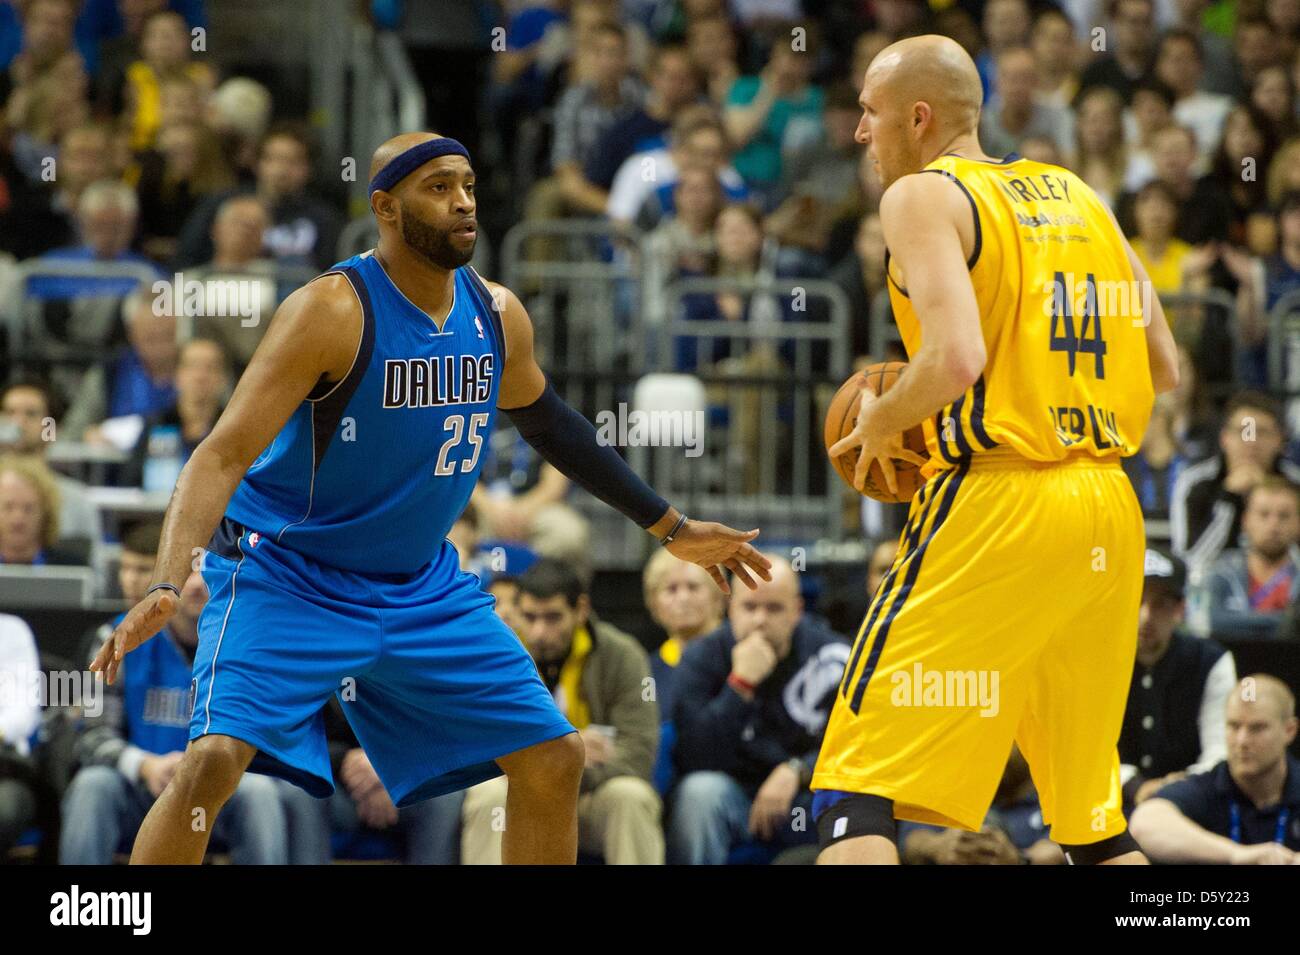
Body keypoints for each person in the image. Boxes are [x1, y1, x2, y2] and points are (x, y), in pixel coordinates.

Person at [91, 131, 772, 866]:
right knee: (212, 763)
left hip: (421, 586)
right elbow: (220, 452)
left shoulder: (497, 312)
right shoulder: (330, 310)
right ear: (385, 205)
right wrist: (168, 575)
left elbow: (551, 424)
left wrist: (669, 525)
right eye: (439, 187)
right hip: (289, 577)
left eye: (470, 186)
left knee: (553, 756)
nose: (463, 203)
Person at [811, 34, 1179, 866]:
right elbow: (1165, 364)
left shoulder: (919, 197)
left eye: (870, 114)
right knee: (1094, 827)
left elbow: (955, 359)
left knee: (853, 788)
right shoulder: (1080, 194)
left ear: (917, 115)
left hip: (998, 498)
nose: (861, 133)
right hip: (1108, 512)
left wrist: (881, 419)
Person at [61, 568, 288, 864]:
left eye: (208, 573)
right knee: (92, 785)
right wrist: (145, 765)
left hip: (217, 794)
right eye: (188, 573)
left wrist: (207, 771)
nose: (196, 585)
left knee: (259, 792)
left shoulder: (247, 644)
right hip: (137, 789)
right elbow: (90, 734)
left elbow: (267, 738)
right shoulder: (117, 635)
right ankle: (86, 906)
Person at [461, 559, 663, 864]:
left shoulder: (624, 654)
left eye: (553, 617)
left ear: (581, 610)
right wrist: (568, 751)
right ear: (516, 611)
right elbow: (476, 745)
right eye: (530, 617)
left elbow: (638, 753)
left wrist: (555, 766)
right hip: (520, 794)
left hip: (592, 796)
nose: (540, 631)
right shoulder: (496, 655)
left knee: (631, 796)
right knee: (488, 795)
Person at [668, 555, 851, 864]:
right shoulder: (702, 656)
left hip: (808, 798)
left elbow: (856, 744)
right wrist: (739, 686)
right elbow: (692, 757)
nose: (759, 620)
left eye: (774, 608)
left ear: (797, 611)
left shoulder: (832, 655)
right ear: (731, 609)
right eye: (749, 607)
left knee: (855, 800)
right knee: (698, 793)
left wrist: (798, 769)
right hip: (734, 797)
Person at [1129, 675, 1300, 862]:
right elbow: (1144, 824)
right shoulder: (1209, 785)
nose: (1242, 741)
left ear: (1289, 730)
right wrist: (1236, 854)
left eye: (1257, 728)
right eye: (1234, 726)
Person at [1120, 548, 1235, 809]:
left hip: (1192, 802)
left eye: (1160, 604)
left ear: (1180, 609)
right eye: (1136, 600)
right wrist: (1134, 785)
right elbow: (1082, 752)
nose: (1145, 617)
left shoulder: (1210, 660)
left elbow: (1220, 751)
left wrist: (1180, 787)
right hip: (1108, 801)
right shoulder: (1095, 660)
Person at [1194, 478, 1300, 639]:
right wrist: (1287, 623)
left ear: (1298, 524)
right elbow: (1211, 622)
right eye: (1264, 514)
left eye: (1284, 516)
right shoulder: (1221, 571)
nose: (1273, 525)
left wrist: (1240, 622)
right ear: (1246, 521)